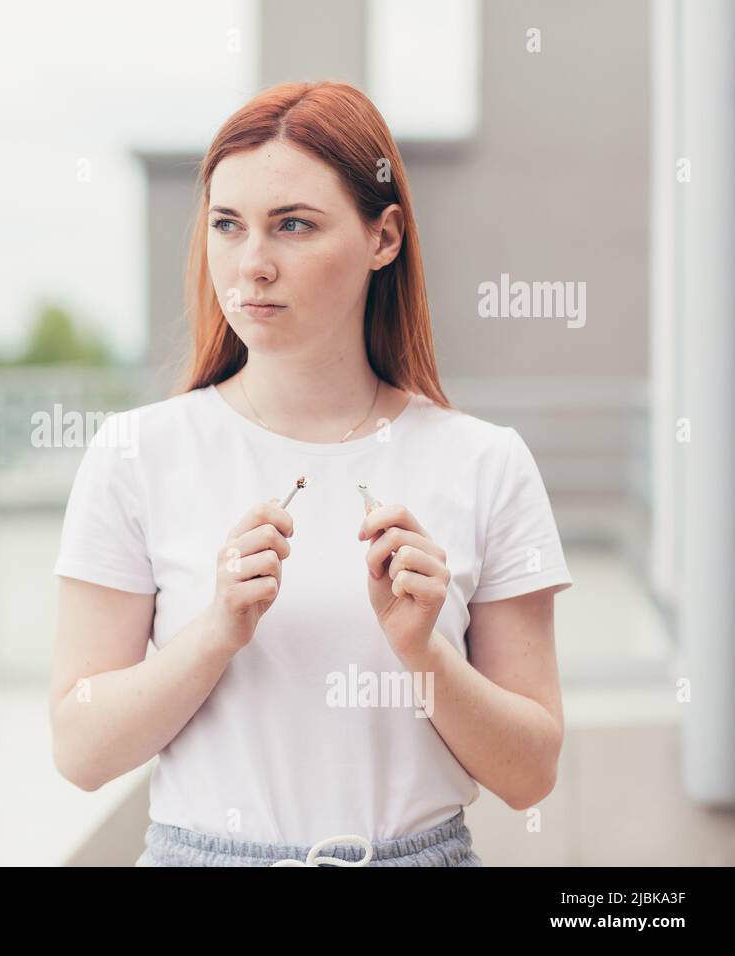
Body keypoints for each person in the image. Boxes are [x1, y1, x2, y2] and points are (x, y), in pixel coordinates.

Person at [48, 81, 573, 867]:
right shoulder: (135, 454)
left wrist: (426, 652)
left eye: (293, 225)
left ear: (384, 237)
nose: (252, 265)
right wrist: (215, 632)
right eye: (228, 226)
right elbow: (81, 752)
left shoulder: (485, 463)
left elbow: (531, 773)